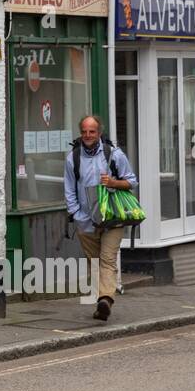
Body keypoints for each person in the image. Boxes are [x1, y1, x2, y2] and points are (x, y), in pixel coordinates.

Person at [63, 114, 138, 322]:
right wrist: (77, 214)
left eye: (92, 131)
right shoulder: (73, 158)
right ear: (81, 133)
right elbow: (69, 190)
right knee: (94, 262)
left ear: (99, 133)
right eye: (84, 131)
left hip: (113, 217)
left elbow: (132, 182)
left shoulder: (114, 155)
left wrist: (113, 183)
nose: (88, 135)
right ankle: (101, 302)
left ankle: (106, 298)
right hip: (86, 220)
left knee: (107, 259)